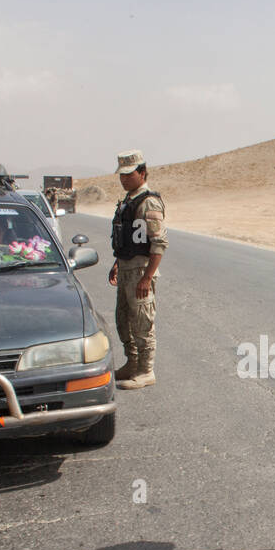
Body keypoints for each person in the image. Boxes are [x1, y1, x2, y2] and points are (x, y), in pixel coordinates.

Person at [108, 150, 167, 390]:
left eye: (128, 175)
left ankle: (146, 370)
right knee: (123, 320)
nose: (123, 180)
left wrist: (147, 277)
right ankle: (132, 364)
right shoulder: (129, 201)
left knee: (142, 323)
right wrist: (116, 264)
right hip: (125, 269)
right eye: (121, 175)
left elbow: (158, 243)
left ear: (142, 172)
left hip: (140, 271)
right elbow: (128, 237)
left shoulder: (148, 202)